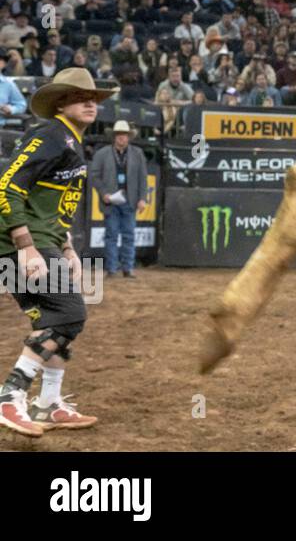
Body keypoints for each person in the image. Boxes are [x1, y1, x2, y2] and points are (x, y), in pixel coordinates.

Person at [0, 67, 118, 436]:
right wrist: (26, 247)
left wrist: (66, 247)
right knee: (70, 314)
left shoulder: (68, 140)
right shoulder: (51, 134)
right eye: (79, 97)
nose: (90, 103)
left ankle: (48, 403)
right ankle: (9, 396)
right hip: (21, 243)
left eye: (93, 98)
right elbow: (7, 187)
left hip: (40, 240)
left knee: (52, 321)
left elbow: (52, 206)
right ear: (60, 104)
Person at [89, 120, 149, 278]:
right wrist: (103, 193)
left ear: (129, 137)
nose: (122, 137)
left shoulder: (137, 153)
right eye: (119, 135)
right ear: (114, 136)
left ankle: (128, 268)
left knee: (129, 235)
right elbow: (94, 176)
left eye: (125, 135)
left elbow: (143, 178)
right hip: (110, 201)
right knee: (111, 235)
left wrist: (143, 198)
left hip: (130, 200)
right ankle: (112, 269)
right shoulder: (102, 154)